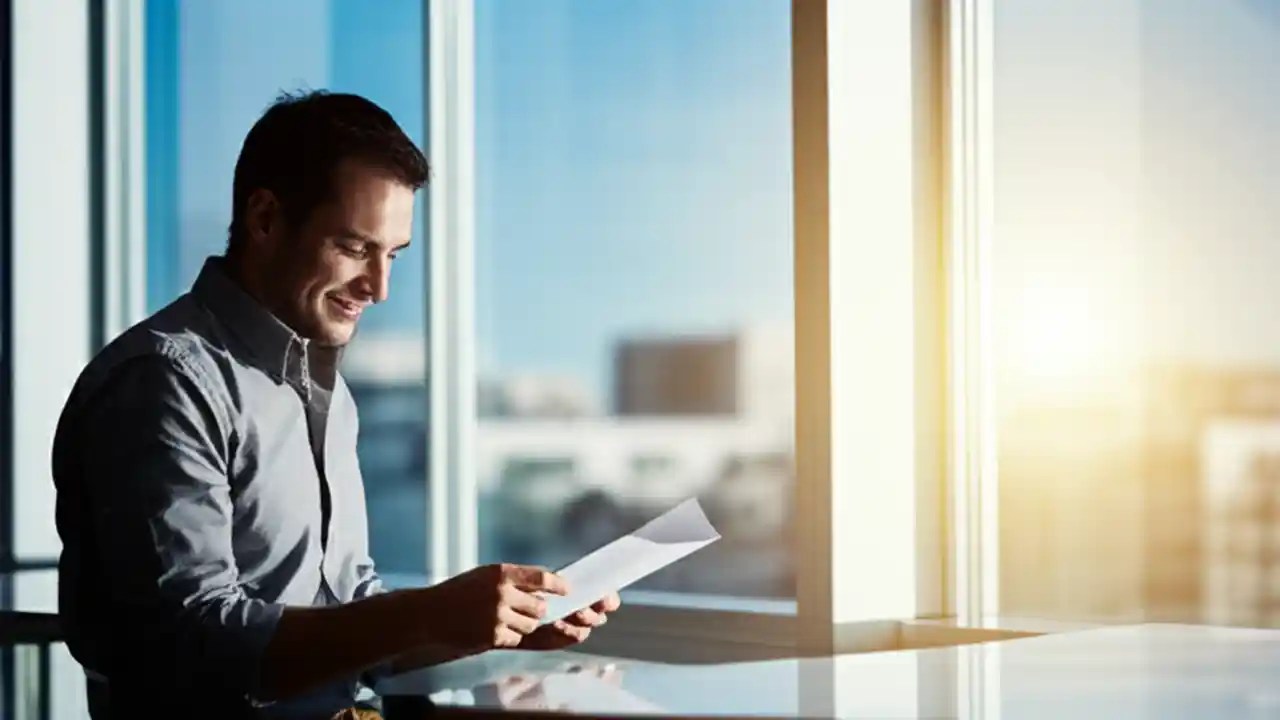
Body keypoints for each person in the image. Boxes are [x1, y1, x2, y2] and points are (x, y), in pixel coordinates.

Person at [51, 90, 620, 719]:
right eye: (354, 249)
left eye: (393, 256)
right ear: (265, 219)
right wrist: (428, 613)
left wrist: (489, 629)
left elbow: (351, 620)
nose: (378, 288)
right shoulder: (165, 383)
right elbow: (195, 639)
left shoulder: (327, 393)